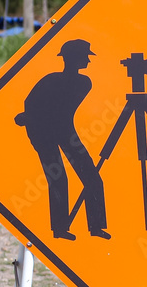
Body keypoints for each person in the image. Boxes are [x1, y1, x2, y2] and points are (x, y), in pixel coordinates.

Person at [15, 39, 110, 240]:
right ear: (74, 58)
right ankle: (59, 229)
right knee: (58, 179)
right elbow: (30, 104)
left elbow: (53, 107)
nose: (88, 61)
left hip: (65, 132)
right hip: (43, 134)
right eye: (85, 56)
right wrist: (30, 121)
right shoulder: (52, 80)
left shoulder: (83, 82)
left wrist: (32, 117)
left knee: (92, 177)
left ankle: (96, 227)